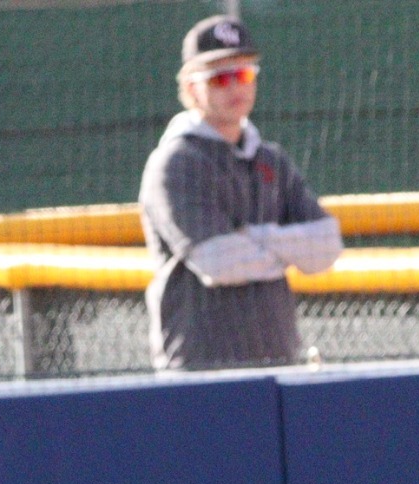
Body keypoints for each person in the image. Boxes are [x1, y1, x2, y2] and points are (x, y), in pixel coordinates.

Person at [139, 14, 342, 370]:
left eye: (245, 73)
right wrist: (286, 251)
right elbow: (218, 263)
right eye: (219, 78)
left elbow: (326, 247)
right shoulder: (175, 163)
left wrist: (255, 238)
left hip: (279, 363)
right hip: (200, 369)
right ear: (190, 89)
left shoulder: (271, 159)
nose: (236, 87)